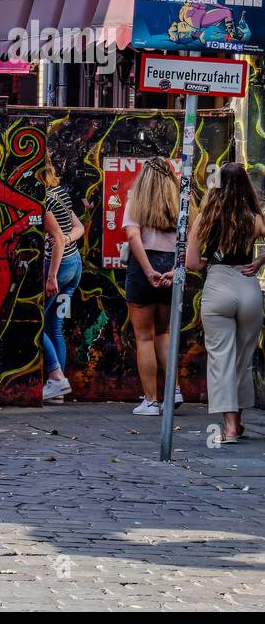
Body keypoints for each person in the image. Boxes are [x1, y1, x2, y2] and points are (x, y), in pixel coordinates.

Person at [187, 163, 265, 443]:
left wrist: (214, 260)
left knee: (220, 358)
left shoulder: (204, 219)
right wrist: (259, 261)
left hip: (217, 286)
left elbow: (192, 263)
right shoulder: (254, 218)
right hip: (248, 287)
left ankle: (230, 428)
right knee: (243, 360)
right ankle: (239, 422)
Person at [123, 157, 184, 416]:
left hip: (143, 266)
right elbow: (187, 239)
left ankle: (150, 401)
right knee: (164, 333)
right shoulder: (180, 202)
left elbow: (132, 236)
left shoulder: (136, 201)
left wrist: (148, 270)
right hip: (171, 263)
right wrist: (172, 270)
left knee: (144, 336)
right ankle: (174, 389)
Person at [42, 157, 86, 404]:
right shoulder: (60, 192)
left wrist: (51, 276)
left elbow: (56, 238)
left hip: (58, 268)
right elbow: (78, 227)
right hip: (74, 266)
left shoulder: (44, 198)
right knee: (54, 326)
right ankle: (57, 390)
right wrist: (68, 240)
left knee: (38, 325)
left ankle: (56, 378)